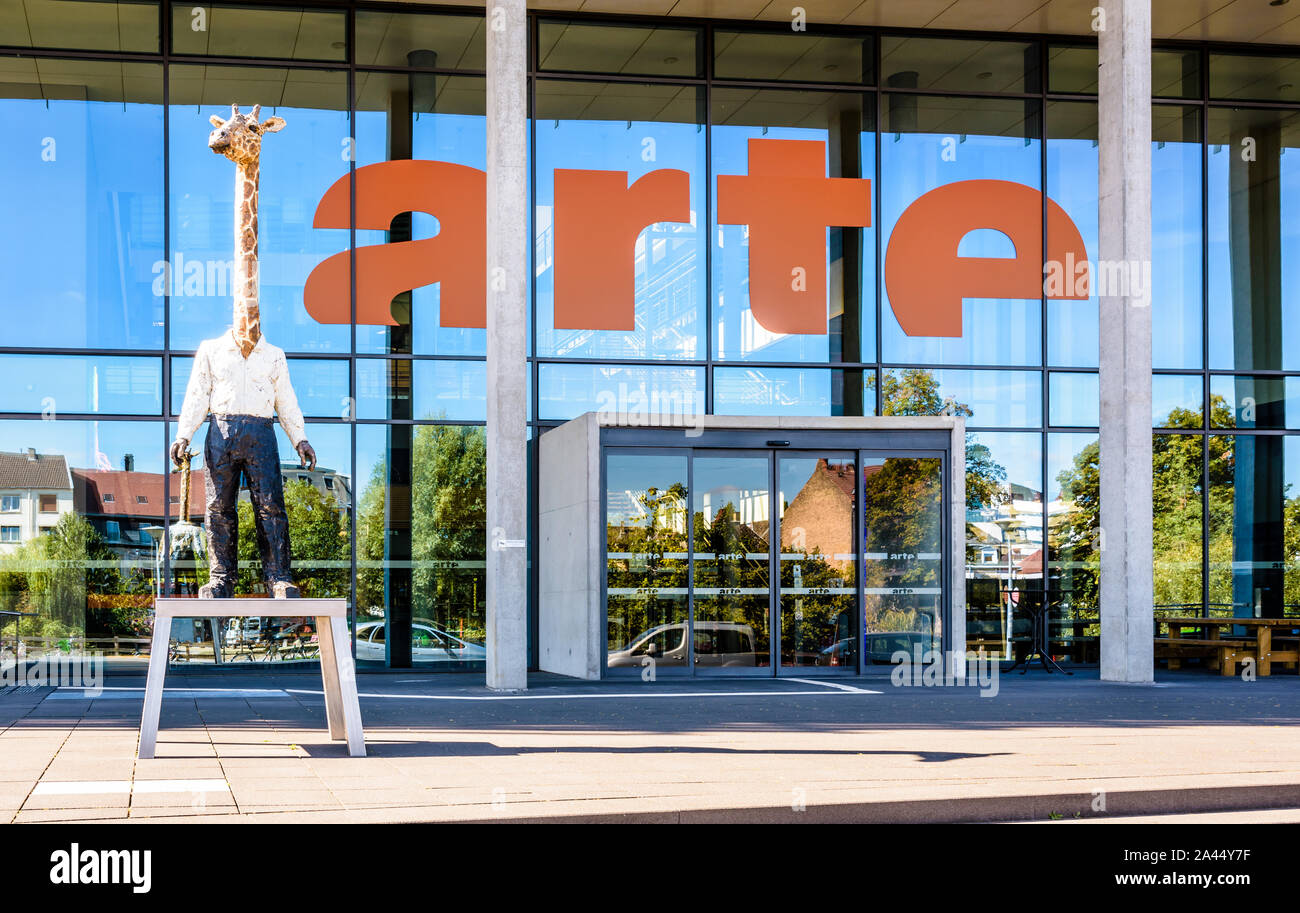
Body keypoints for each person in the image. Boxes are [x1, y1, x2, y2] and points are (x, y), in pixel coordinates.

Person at [170, 328, 316, 599]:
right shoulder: (211, 349)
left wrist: (300, 439)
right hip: (220, 432)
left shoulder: (274, 356)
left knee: (271, 507)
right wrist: (184, 434)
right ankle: (221, 579)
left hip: (262, 433)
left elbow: (285, 400)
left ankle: (279, 578)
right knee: (218, 509)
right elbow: (198, 394)